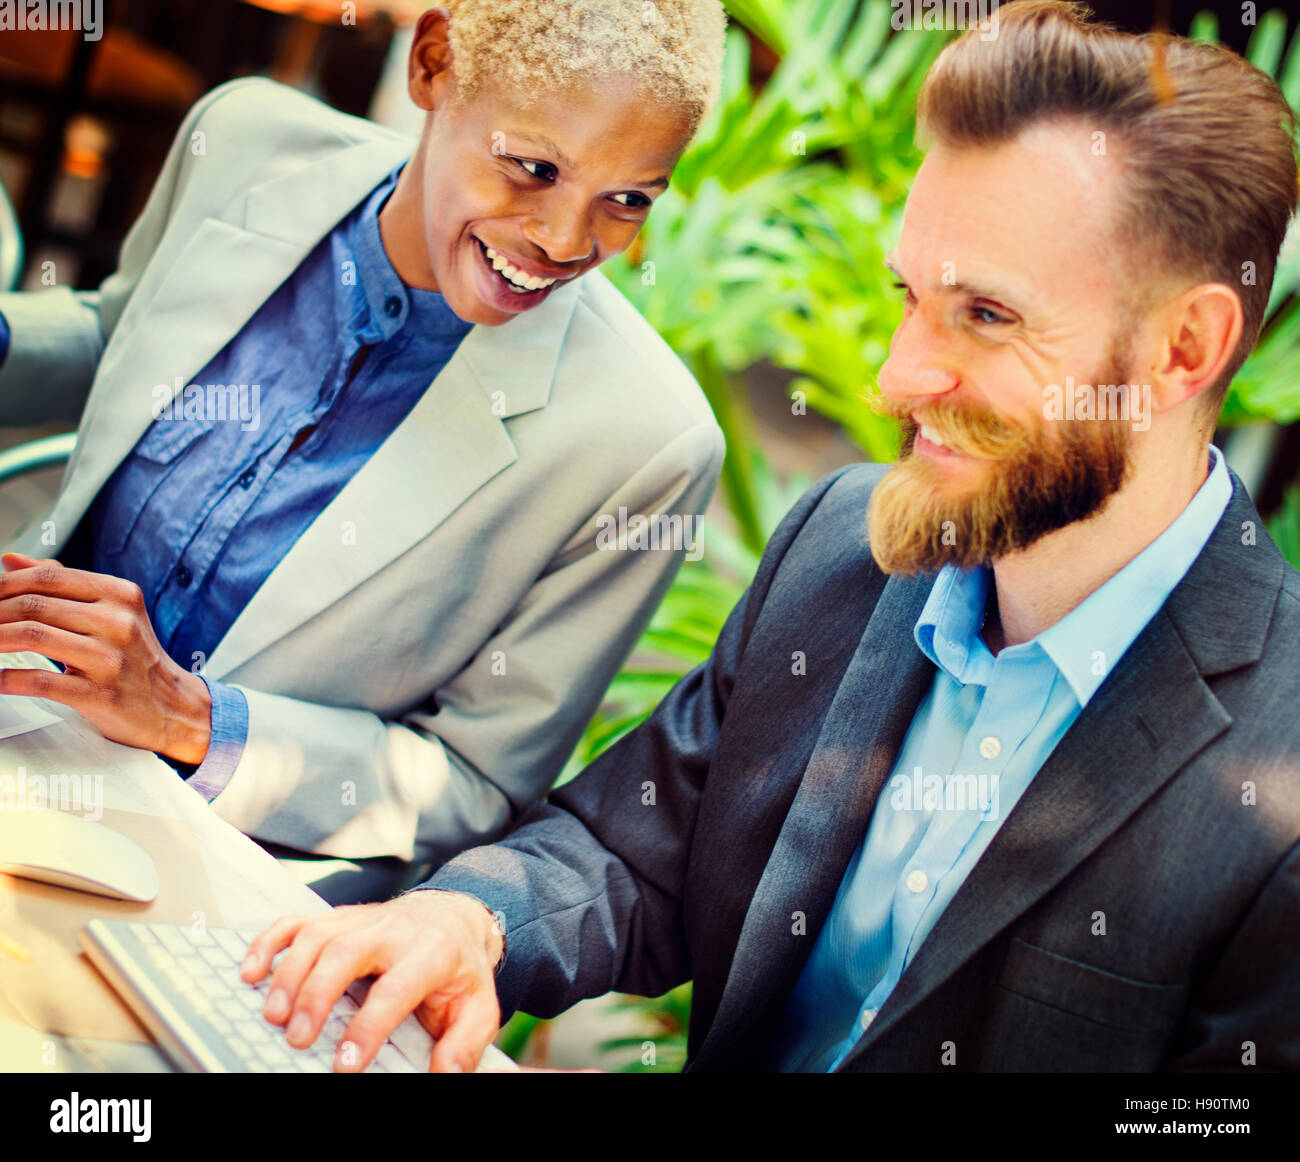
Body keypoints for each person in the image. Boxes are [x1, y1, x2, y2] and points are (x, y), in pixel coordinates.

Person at [243, 1, 1300, 1073]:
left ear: (1183, 347)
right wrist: (467, 925)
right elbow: (634, 848)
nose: (897, 377)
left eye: (986, 316)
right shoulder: (842, 545)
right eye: (910, 297)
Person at [0, 2, 727, 880]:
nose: (565, 241)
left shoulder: (647, 443)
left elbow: (473, 785)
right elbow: (121, 340)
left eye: (627, 200)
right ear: (432, 63)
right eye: (533, 168)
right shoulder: (244, 142)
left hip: (227, 877)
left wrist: (190, 717)